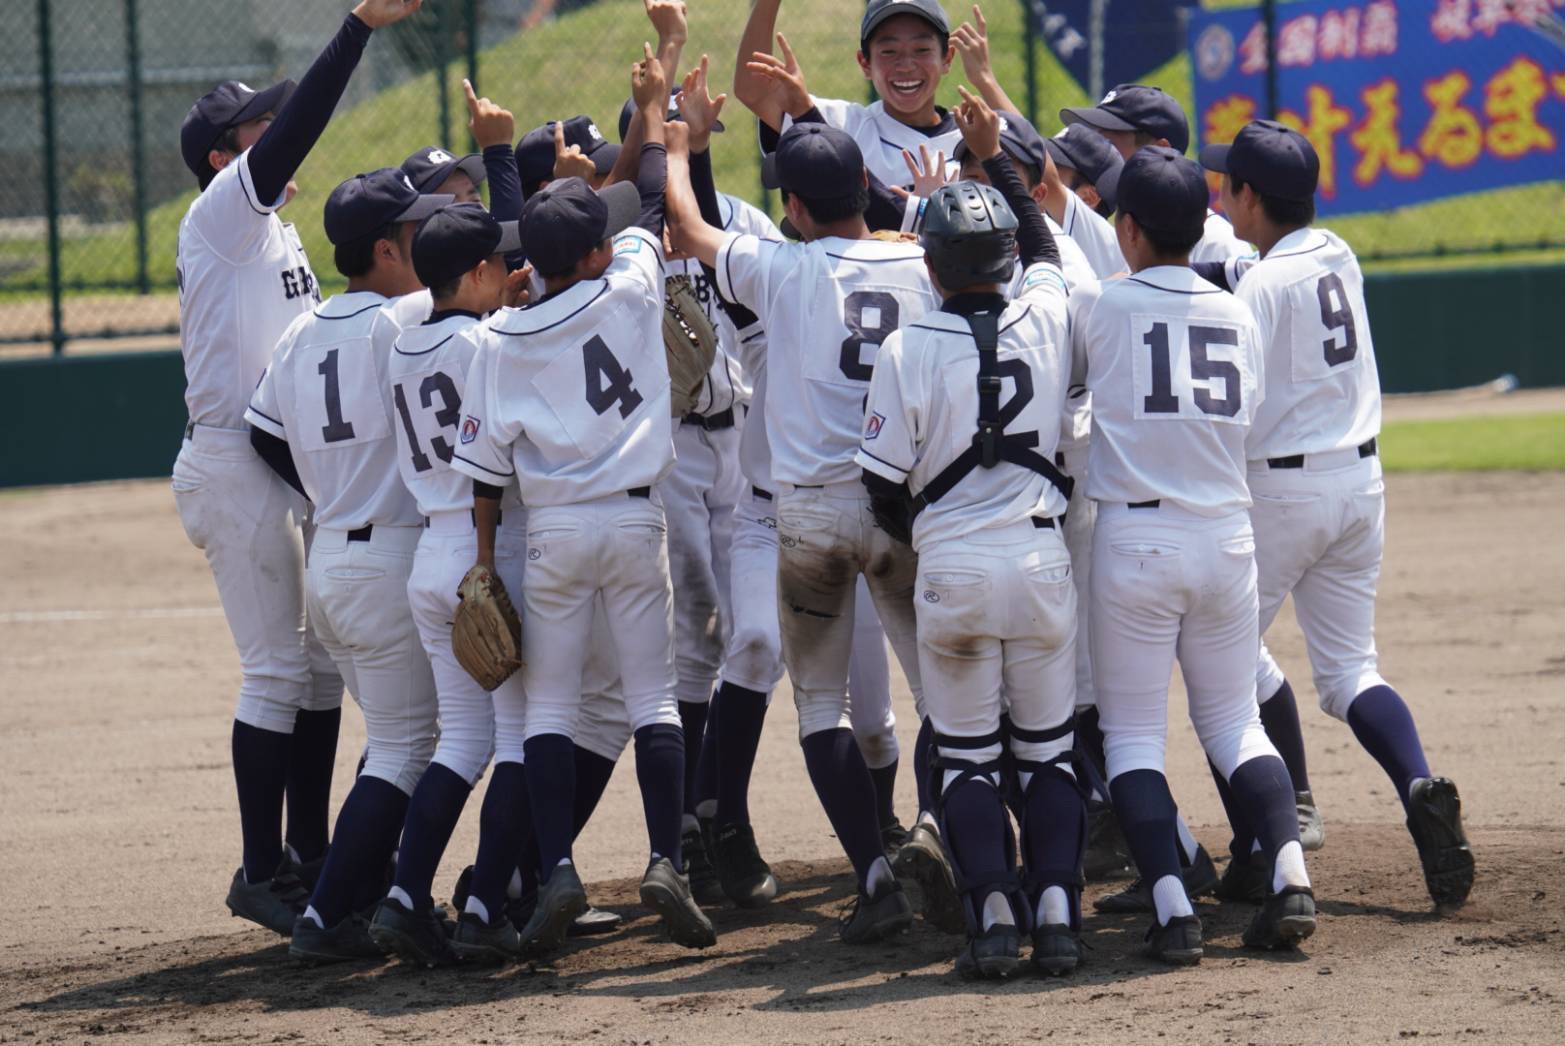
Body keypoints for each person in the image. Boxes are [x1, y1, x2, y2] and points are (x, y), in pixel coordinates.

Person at [451, 47, 716, 956]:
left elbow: (485, 473)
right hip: (637, 516)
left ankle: (557, 868)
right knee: (654, 699)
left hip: (554, 532)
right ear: (596, 253)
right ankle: (661, 861)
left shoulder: (498, 337)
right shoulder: (633, 286)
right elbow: (646, 196)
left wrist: (484, 564)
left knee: (551, 709)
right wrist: (652, 100)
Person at [667, 119, 959, 942]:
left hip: (808, 519)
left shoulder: (783, 267)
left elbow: (688, 227)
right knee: (941, 695)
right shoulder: (918, 259)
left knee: (823, 709)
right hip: (901, 507)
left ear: (791, 205)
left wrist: (679, 144)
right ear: (866, 188)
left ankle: (874, 880)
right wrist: (930, 207)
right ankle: (934, 827)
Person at [171, 0, 426, 936]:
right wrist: (357, 27)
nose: (274, 134)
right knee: (277, 669)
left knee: (317, 673)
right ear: (220, 159)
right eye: (254, 128)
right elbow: (303, 127)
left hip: (277, 463)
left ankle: (313, 855)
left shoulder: (272, 234)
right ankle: (257, 870)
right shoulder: (222, 218)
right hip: (231, 467)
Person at [1200, 120, 1474, 909]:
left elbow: (1235, 391)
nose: (1222, 192)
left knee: (1219, 662)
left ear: (1247, 196)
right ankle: (1416, 782)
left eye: (1230, 183)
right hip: (1359, 486)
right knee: (1352, 670)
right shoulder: (1337, 253)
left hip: (1281, 494)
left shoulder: (1258, 286)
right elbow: (1256, 272)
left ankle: (1265, 850)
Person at [856, 90, 1088, 978]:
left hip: (950, 563)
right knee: (1048, 753)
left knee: (967, 763)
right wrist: (997, 163)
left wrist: (933, 536)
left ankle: (993, 919)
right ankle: (1059, 914)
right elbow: (1043, 247)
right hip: (1039, 559)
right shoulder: (1050, 312)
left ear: (933, 265)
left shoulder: (907, 347)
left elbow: (879, 490)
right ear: (1003, 259)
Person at [1069, 145, 1315, 964]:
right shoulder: (1237, 310)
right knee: (1236, 724)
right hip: (1226, 537)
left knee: (1134, 738)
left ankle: (1173, 910)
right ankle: (1287, 874)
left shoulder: (1101, 305)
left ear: (1129, 229)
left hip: (1137, 541)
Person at [243, 167, 452, 962]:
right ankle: (329, 915)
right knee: (414, 745)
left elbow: (263, 433)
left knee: (399, 740)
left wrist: (327, 486)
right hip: (390, 559)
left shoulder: (303, 330)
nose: (423, 240)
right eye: (413, 232)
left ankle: (376, 890)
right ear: (384, 250)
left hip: (330, 557)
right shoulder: (401, 319)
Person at [734, 0, 962, 189]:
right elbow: (753, 92)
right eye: (889, 51)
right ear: (865, 63)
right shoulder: (843, 124)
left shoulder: (976, 135)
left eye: (921, 50)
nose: (906, 65)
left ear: (947, 58)